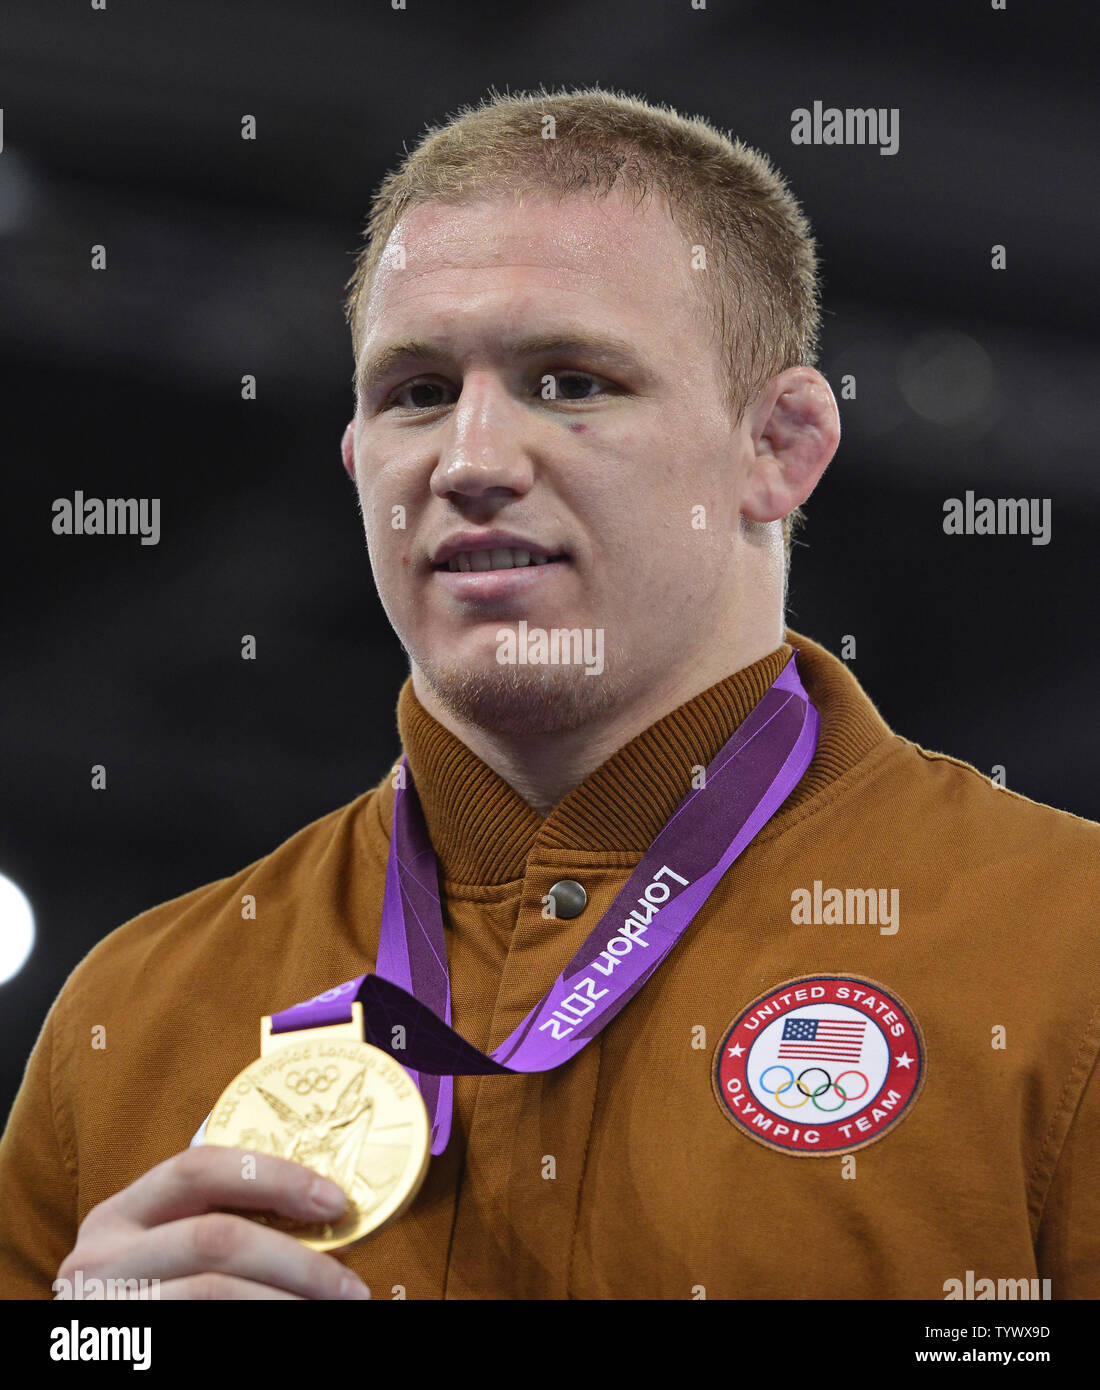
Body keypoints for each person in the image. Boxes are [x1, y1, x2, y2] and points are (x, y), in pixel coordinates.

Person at [1, 85, 1097, 1301]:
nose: (469, 461)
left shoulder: (1066, 949)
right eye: (415, 391)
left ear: (776, 446)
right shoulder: (135, 1009)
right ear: (359, 458)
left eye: (570, 382)